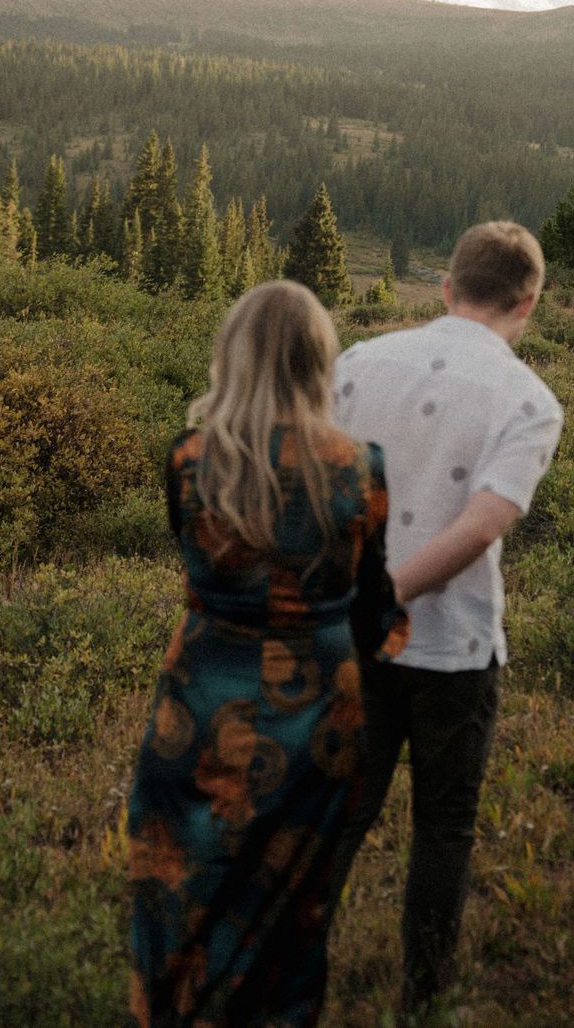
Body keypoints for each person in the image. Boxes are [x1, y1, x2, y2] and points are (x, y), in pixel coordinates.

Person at [128, 279, 408, 1028]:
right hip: (319, 713)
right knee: (292, 909)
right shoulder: (361, 468)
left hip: (199, 700)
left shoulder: (188, 461)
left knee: (182, 881)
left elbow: (193, 566)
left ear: (233, 356)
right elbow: (376, 608)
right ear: (320, 361)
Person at [330, 220, 563, 1017]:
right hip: (454, 648)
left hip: (348, 639)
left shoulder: (357, 363)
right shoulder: (528, 399)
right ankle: (422, 1003)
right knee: (443, 826)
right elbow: (482, 525)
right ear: (527, 303)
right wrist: (390, 596)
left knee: (338, 815)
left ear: (446, 287)